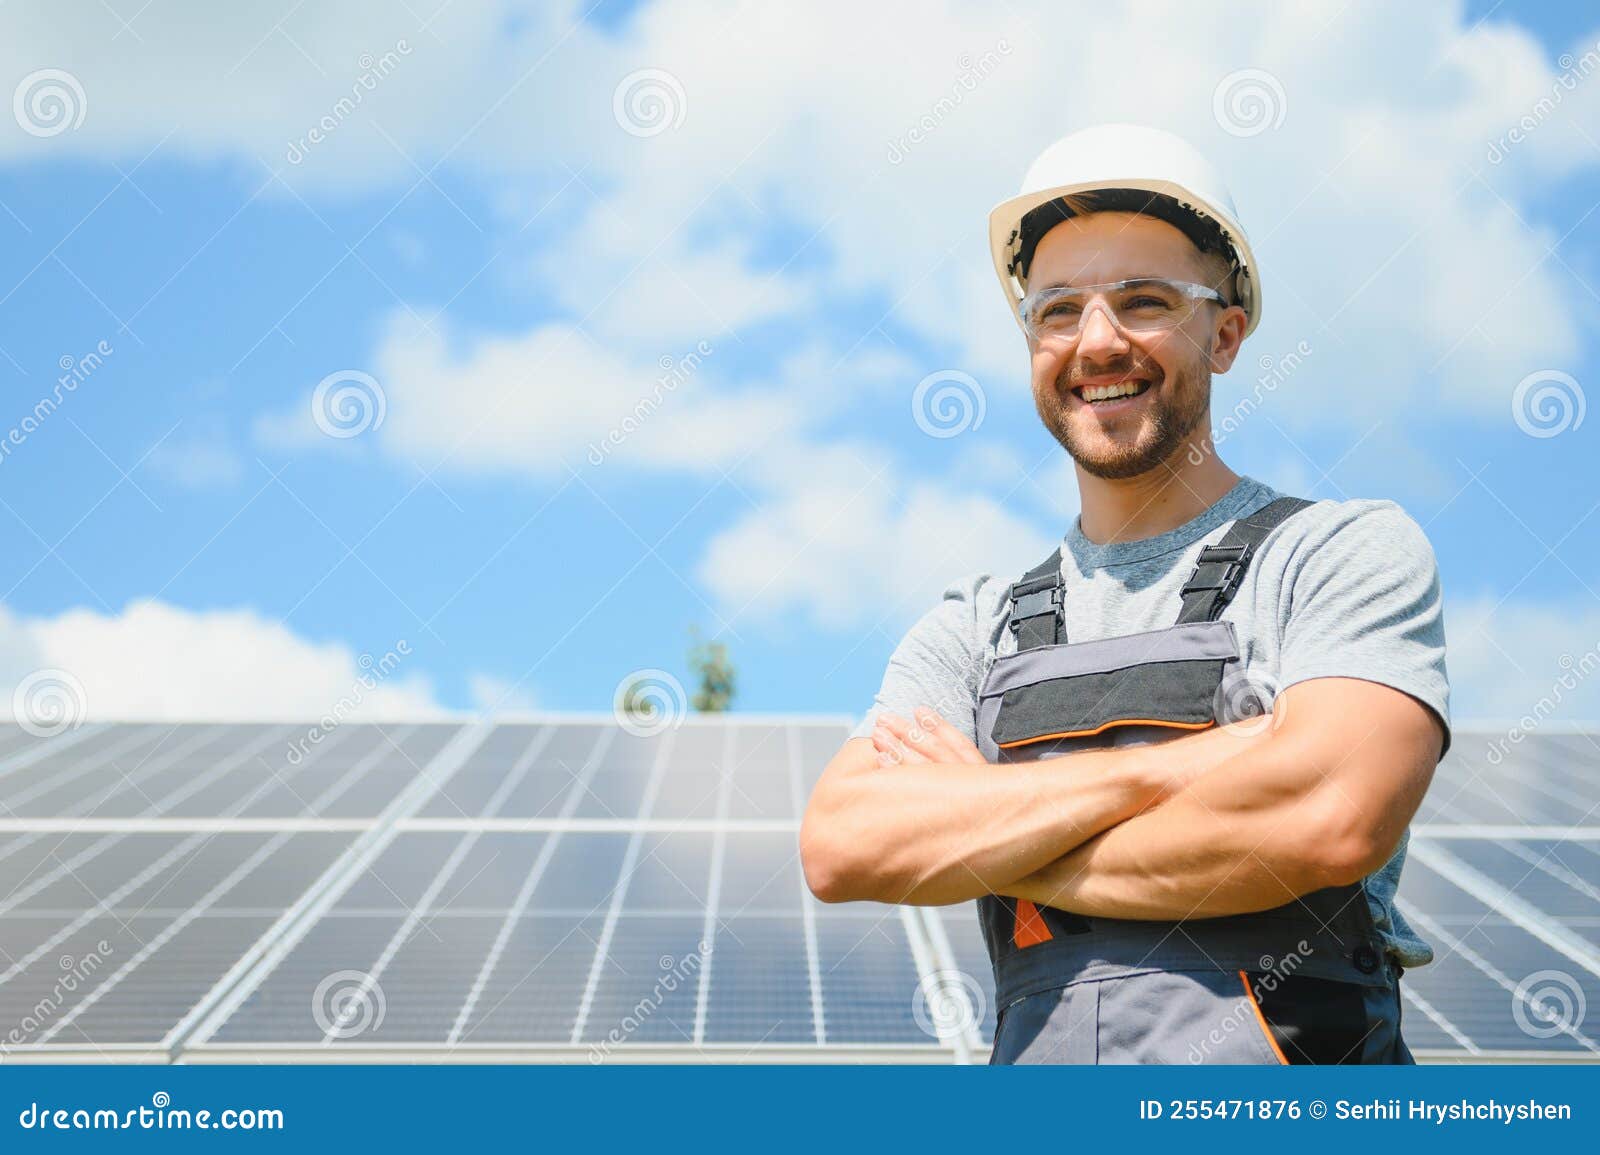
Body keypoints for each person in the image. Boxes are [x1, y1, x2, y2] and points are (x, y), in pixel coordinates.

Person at [799, 123, 1450, 1065]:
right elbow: (845, 842)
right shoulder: (974, 625)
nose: (1097, 341)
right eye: (1058, 310)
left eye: (1145, 300)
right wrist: (1174, 768)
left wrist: (993, 817)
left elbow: (1328, 812)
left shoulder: (1338, 553)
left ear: (1223, 335)